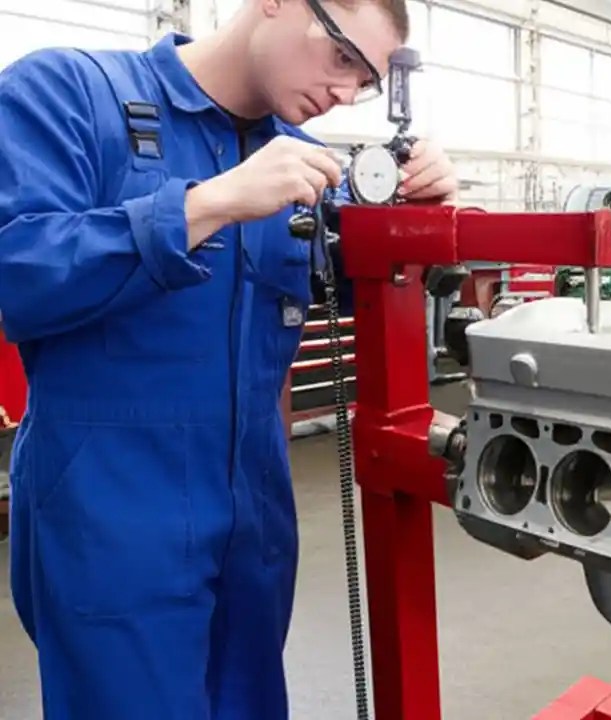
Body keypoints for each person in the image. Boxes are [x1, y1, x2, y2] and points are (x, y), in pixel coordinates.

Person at [0, 1, 457, 717]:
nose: (344, 93)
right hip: (113, 534)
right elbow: (15, 275)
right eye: (342, 57)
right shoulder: (66, 93)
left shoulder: (306, 167)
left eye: (365, 81)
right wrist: (203, 206)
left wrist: (420, 221)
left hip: (255, 537)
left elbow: (356, 290)